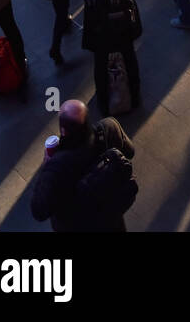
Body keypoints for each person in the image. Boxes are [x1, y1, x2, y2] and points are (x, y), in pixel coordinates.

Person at [30, 98, 136, 233]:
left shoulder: (56, 167)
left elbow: (38, 211)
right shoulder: (109, 128)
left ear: (63, 131)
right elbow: (130, 151)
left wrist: (46, 166)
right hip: (111, 217)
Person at [77, 0, 141, 115]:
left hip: (100, 25)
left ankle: (104, 101)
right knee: (129, 58)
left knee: (101, 62)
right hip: (123, 22)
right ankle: (134, 95)